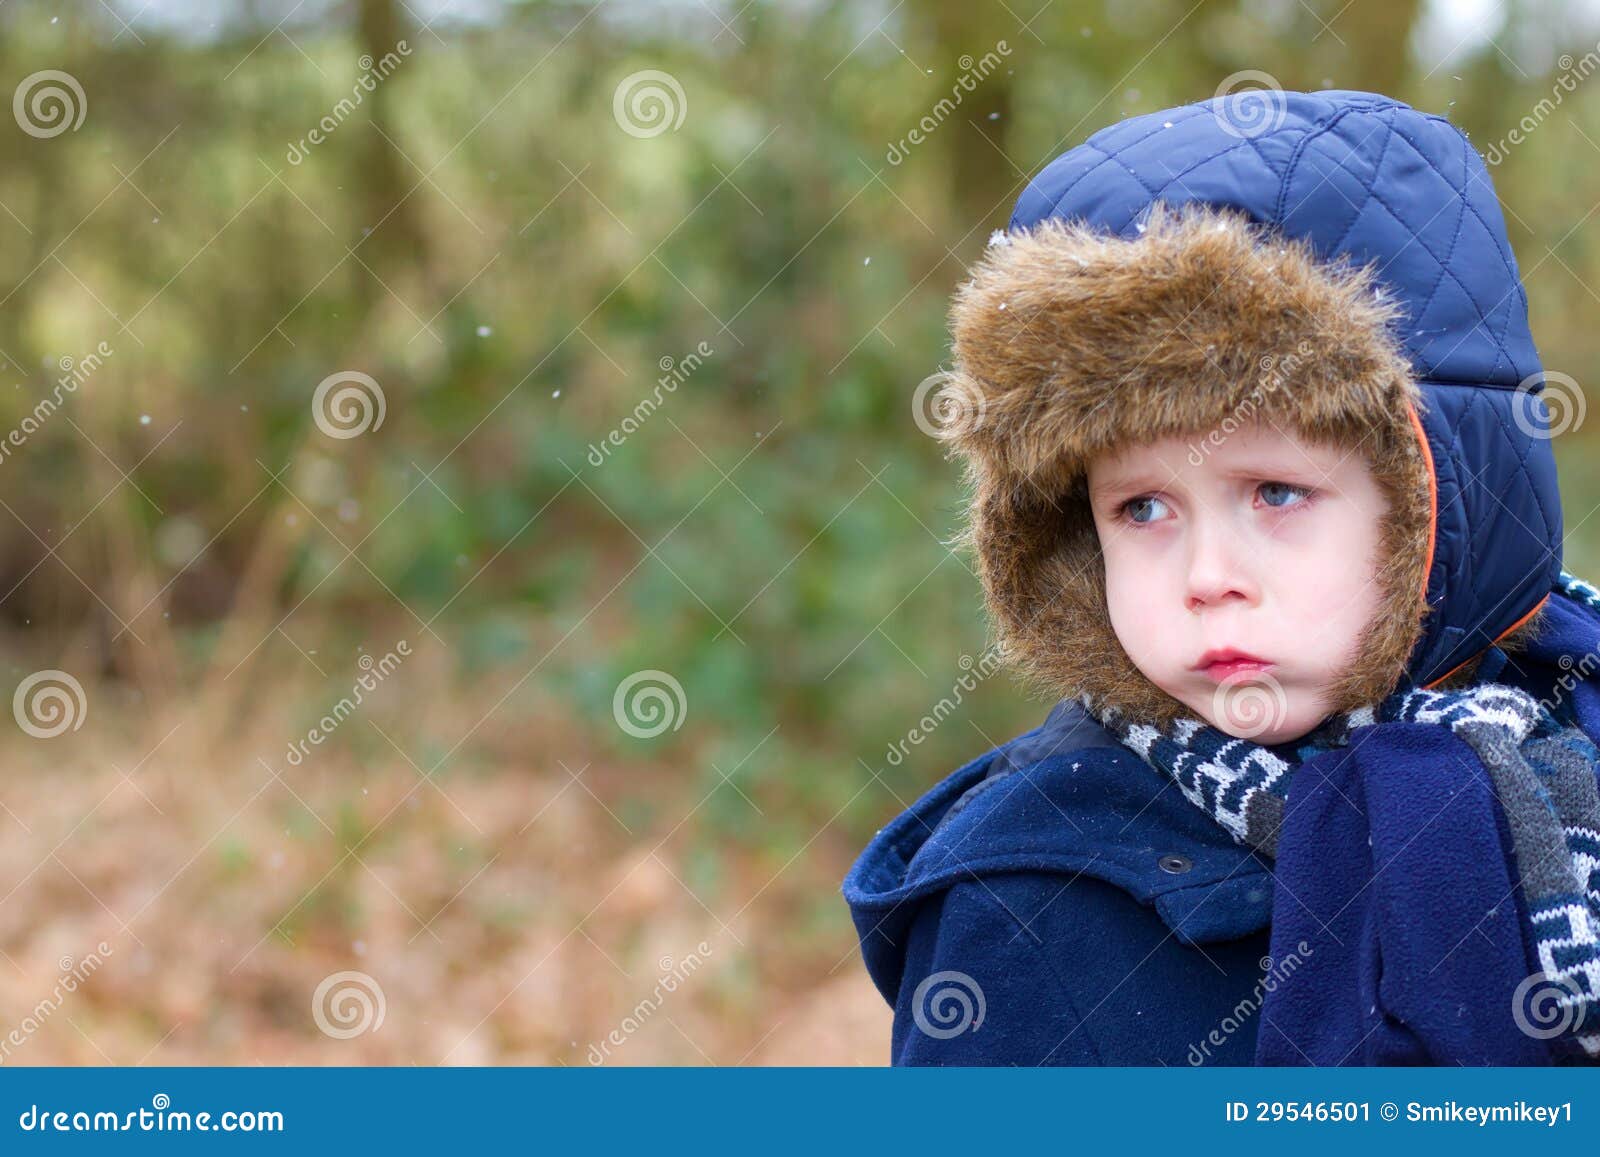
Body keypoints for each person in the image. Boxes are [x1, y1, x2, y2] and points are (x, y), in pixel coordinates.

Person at [842, 89, 1600, 1065]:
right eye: (1141, 508)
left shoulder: (1567, 735)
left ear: (1437, 497)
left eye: (1276, 492)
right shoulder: (1030, 903)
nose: (1206, 576)